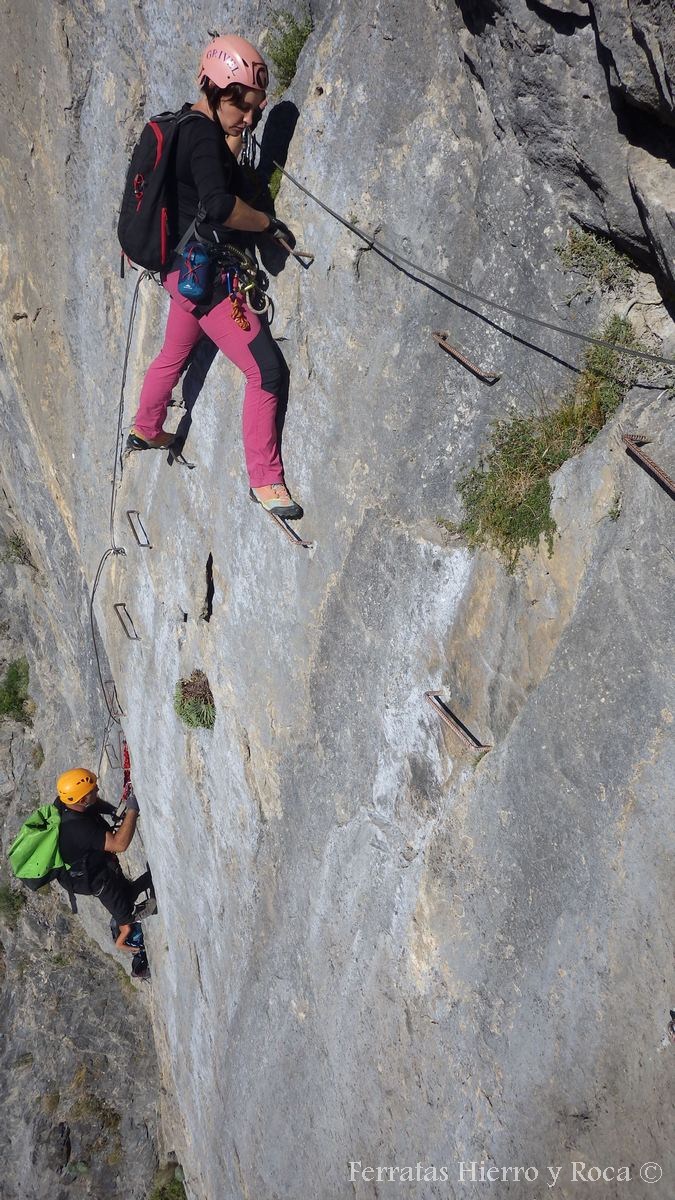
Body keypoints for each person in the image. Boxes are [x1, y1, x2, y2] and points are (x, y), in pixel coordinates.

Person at [127, 34, 303, 520]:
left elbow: (211, 179)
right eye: (241, 107)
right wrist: (269, 224)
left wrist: (235, 142)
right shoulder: (204, 136)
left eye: (254, 112)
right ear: (218, 92)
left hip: (177, 275)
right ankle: (265, 480)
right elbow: (221, 205)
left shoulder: (189, 122)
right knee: (265, 370)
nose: (248, 119)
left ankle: (147, 426)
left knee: (174, 353)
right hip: (205, 282)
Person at [55, 768, 153, 955]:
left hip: (96, 865)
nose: (98, 789)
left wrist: (112, 810)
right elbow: (120, 844)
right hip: (93, 880)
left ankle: (143, 886)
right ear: (82, 799)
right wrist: (132, 809)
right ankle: (126, 922)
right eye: (94, 789)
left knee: (125, 891)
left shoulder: (66, 802)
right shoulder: (79, 830)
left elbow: (93, 803)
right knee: (124, 912)